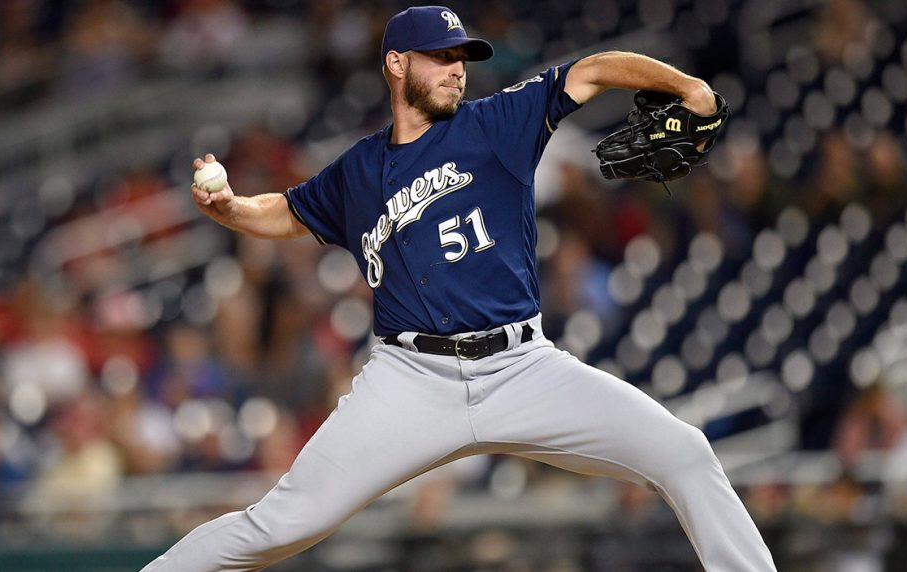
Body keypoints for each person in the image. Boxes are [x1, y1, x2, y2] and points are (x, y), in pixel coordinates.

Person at [142, 6, 775, 571]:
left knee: (685, 453)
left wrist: (687, 87)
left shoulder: (497, 123)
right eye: (441, 57)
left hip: (523, 367)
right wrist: (227, 207)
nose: (457, 69)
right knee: (280, 526)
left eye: (462, 58)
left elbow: (595, 69)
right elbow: (282, 212)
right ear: (397, 64)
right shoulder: (359, 170)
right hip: (410, 381)